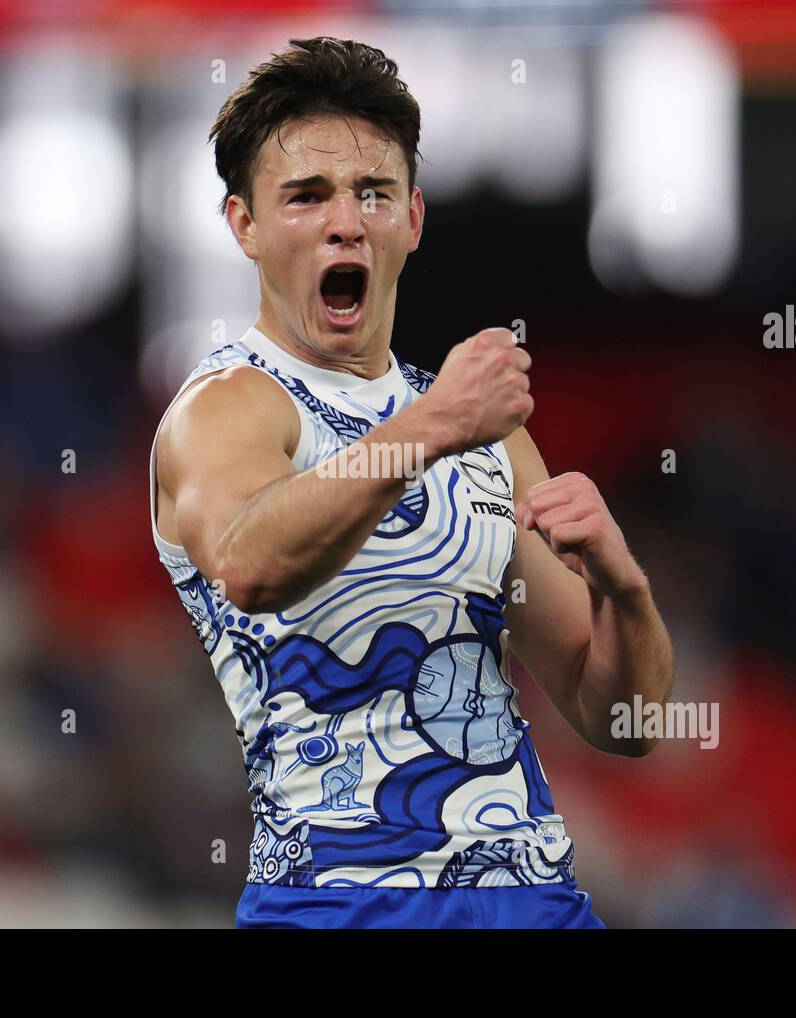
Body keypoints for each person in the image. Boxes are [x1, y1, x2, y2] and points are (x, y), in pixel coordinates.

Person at [149, 36, 674, 929]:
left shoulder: (480, 431)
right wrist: (432, 429)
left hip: (531, 899)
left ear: (413, 219)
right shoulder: (227, 407)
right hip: (337, 899)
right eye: (306, 196)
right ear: (244, 225)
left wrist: (625, 588)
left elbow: (620, 721)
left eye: (372, 193)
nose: (344, 221)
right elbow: (249, 563)